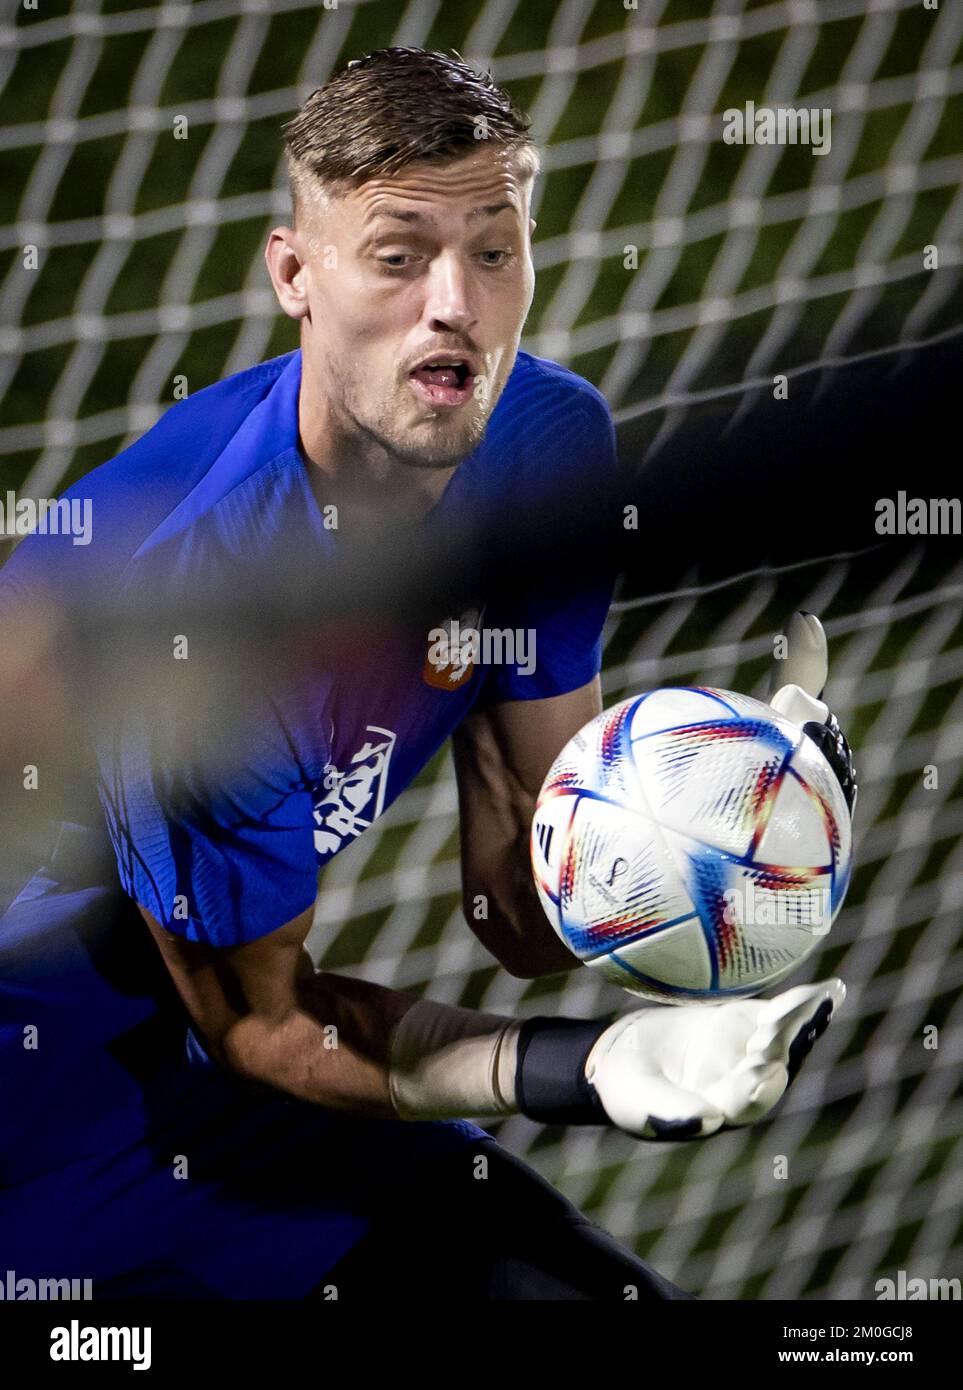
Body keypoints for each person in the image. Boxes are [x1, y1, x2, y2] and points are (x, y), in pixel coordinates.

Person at [0, 48, 851, 1301]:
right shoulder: (191, 604)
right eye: (398, 255)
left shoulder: (548, 445)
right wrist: (586, 1067)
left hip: (237, 1112)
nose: (453, 303)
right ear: (295, 273)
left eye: (493, 251)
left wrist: (724, 821)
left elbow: (520, 902)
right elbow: (261, 1027)